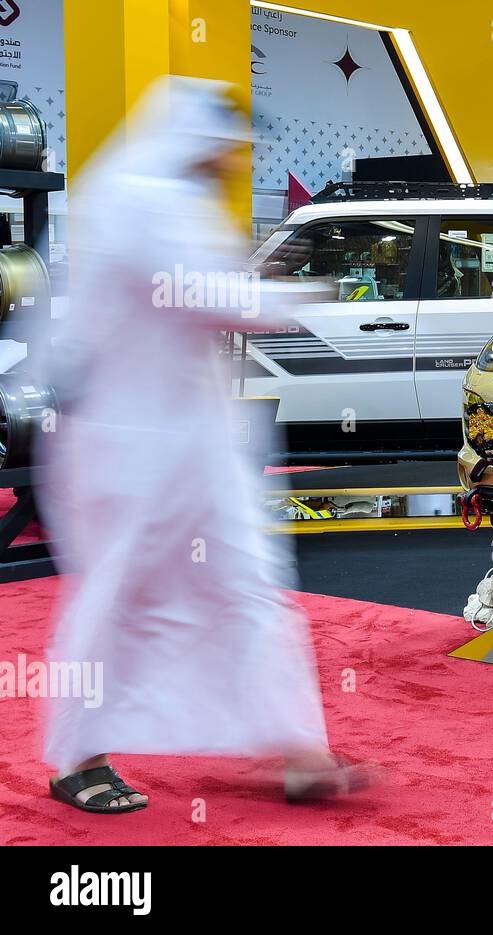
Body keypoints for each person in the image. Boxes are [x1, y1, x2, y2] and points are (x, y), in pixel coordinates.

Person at [36, 77, 374, 813]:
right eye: (224, 146)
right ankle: (77, 758)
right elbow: (212, 296)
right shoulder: (139, 196)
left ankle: (298, 751)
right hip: (124, 450)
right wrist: (318, 290)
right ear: (196, 138)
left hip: (195, 447)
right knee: (116, 599)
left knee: (247, 585)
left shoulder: (177, 200)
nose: (231, 160)